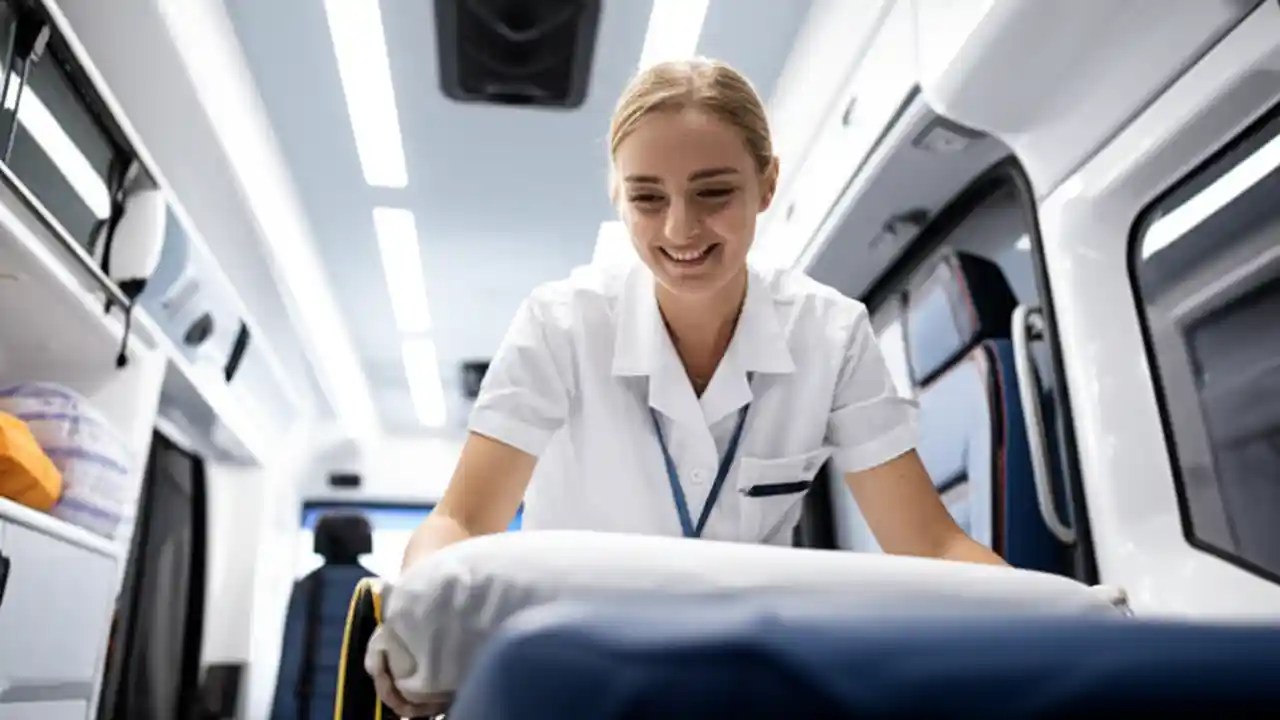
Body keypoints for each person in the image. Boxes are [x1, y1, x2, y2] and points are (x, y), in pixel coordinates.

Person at [371, 57, 1006, 716]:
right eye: (648, 197)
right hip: (568, 678)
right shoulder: (562, 323)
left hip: (739, 687)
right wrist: (419, 612)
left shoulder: (831, 334)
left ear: (766, 184)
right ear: (618, 196)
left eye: (713, 193)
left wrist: (1065, 621)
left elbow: (930, 544)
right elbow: (463, 520)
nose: (679, 229)